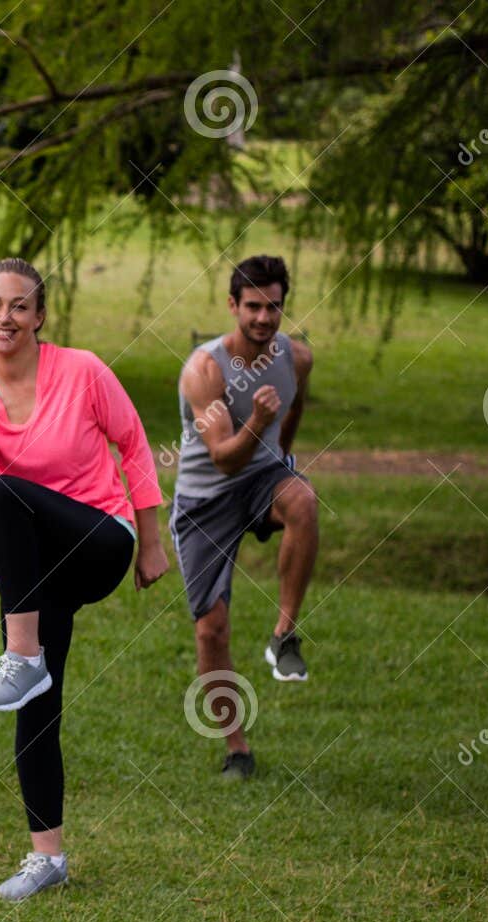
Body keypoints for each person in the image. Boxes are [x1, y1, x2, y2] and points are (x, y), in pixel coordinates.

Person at [0, 258, 168, 902]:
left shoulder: (82, 370)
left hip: (100, 539)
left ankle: (19, 652)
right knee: (37, 708)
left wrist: (151, 540)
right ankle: (48, 857)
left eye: (19, 306)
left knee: (3, 498)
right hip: (38, 576)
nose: (4, 317)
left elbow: (135, 444)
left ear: (39, 316)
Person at [171, 254, 317, 781]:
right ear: (233, 306)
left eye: (273, 306)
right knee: (211, 631)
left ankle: (284, 634)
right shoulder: (204, 369)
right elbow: (224, 456)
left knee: (303, 500)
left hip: (260, 480)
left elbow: (294, 409)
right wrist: (257, 418)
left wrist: (283, 463)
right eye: (253, 306)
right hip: (206, 497)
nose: (263, 317)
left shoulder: (296, 358)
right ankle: (237, 748)